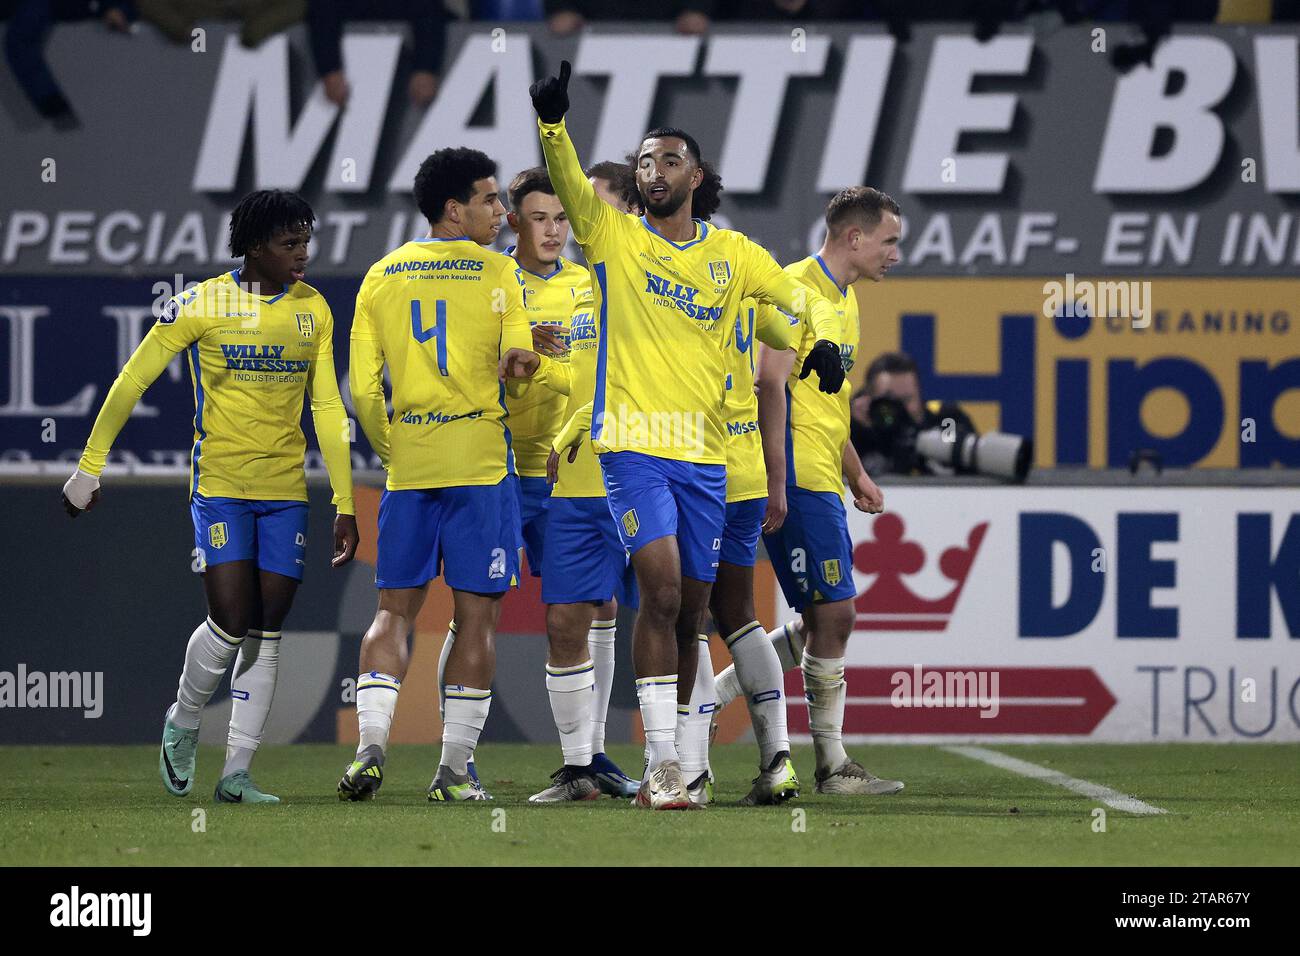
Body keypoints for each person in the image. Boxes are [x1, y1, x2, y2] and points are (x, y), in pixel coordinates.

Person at [527, 61, 847, 809]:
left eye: (668, 158)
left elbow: (793, 294)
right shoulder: (611, 238)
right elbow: (573, 185)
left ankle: (684, 765)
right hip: (633, 445)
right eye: (643, 160)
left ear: (696, 175)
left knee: (694, 610)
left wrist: (819, 342)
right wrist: (552, 125)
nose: (652, 169)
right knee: (662, 591)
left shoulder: (732, 256)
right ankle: (663, 768)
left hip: (706, 456)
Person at [62, 189, 358, 804]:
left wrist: (345, 501)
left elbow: (327, 406)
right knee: (231, 618)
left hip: (285, 490)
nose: (302, 255)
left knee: (268, 626)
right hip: (221, 486)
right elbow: (132, 379)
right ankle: (185, 718)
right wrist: (90, 467)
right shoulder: (201, 303)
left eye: (306, 241)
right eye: (289, 244)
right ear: (254, 247)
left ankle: (237, 773)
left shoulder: (315, 311)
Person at [337, 147, 551, 803]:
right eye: (491, 199)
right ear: (455, 209)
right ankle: (454, 772)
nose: (504, 211)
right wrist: (520, 364)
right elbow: (519, 356)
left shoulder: (383, 274)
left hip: (411, 468)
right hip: (482, 467)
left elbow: (363, 392)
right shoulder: (501, 274)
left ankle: (369, 749)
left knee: (391, 615)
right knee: (476, 621)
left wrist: (394, 451)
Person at [721, 186, 905, 795]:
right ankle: (831, 765)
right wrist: (776, 480)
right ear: (855, 238)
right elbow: (768, 385)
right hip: (793, 473)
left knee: (825, 612)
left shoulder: (845, 300)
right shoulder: (793, 288)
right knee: (836, 611)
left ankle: (717, 692)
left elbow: (827, 400)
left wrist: (856, 472)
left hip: (823, 472)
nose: (895, 254)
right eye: (889, 241)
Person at [694, 294, 803, 806]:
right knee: (738, 613)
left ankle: (689, 767)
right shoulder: (742, 278)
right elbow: (779, 355)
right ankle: (777, 760)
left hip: (695, 464)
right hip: (745, 464)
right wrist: (776, 476)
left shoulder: (666, 270)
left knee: (683, 613)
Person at [851, 351, 977, 476]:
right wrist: (855, 428)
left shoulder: (947, 419)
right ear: (870, 401)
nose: (900, 409)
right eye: (890, 401)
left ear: (919, 395)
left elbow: (973, 463)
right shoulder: (853, 431)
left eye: (907, 399)